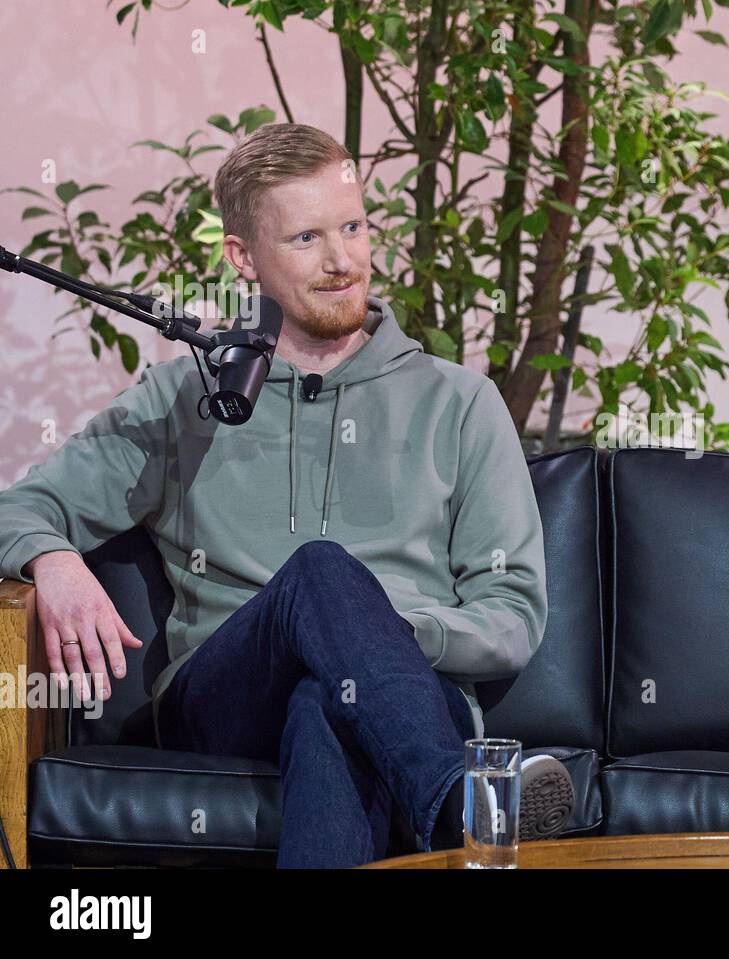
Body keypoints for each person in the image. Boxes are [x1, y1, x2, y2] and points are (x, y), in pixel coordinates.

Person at [0, 123, 573, 867]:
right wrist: (51, 559)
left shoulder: (459, 402)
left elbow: (514, 615)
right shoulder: (184, 399)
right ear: (244, 256)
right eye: (306, 239)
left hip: (400, 701)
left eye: (355, 227)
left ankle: (429, 775)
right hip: (225, 699)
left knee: (327, 700)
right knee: (321, 572)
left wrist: (373, 636)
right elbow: (16, 506)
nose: (343, 261)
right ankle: (455, 800)